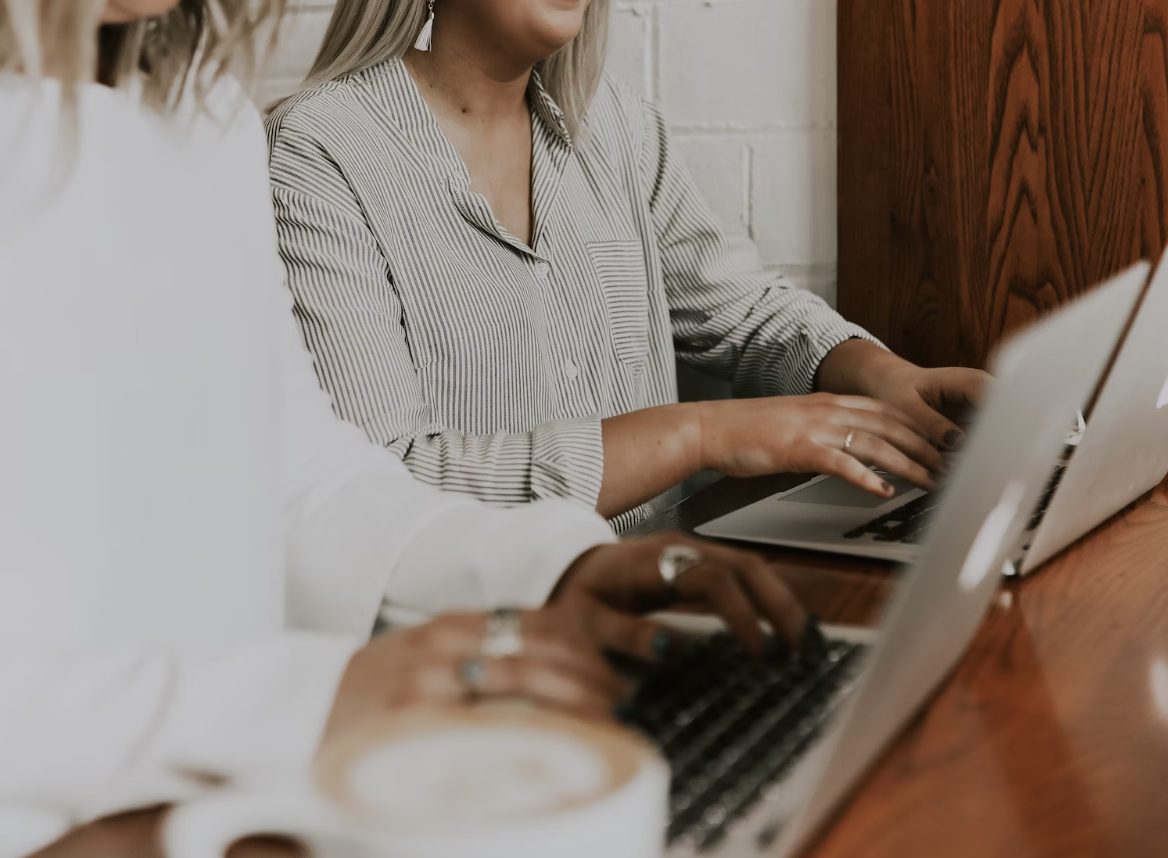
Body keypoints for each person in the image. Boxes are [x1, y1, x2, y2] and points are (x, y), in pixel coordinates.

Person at [0, 1, 807, 854]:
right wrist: (312, 698)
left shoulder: (202, 126)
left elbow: (305, 473)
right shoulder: (308, 142)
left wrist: (556, 566)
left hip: (233, 812)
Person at [265, 0, 989, 530]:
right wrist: (701, 435)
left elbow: (744, 311)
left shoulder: (615, 129)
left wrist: (894, 382)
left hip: (669, 597)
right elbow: (384, 485)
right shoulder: (319, 153)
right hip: (481, 655)